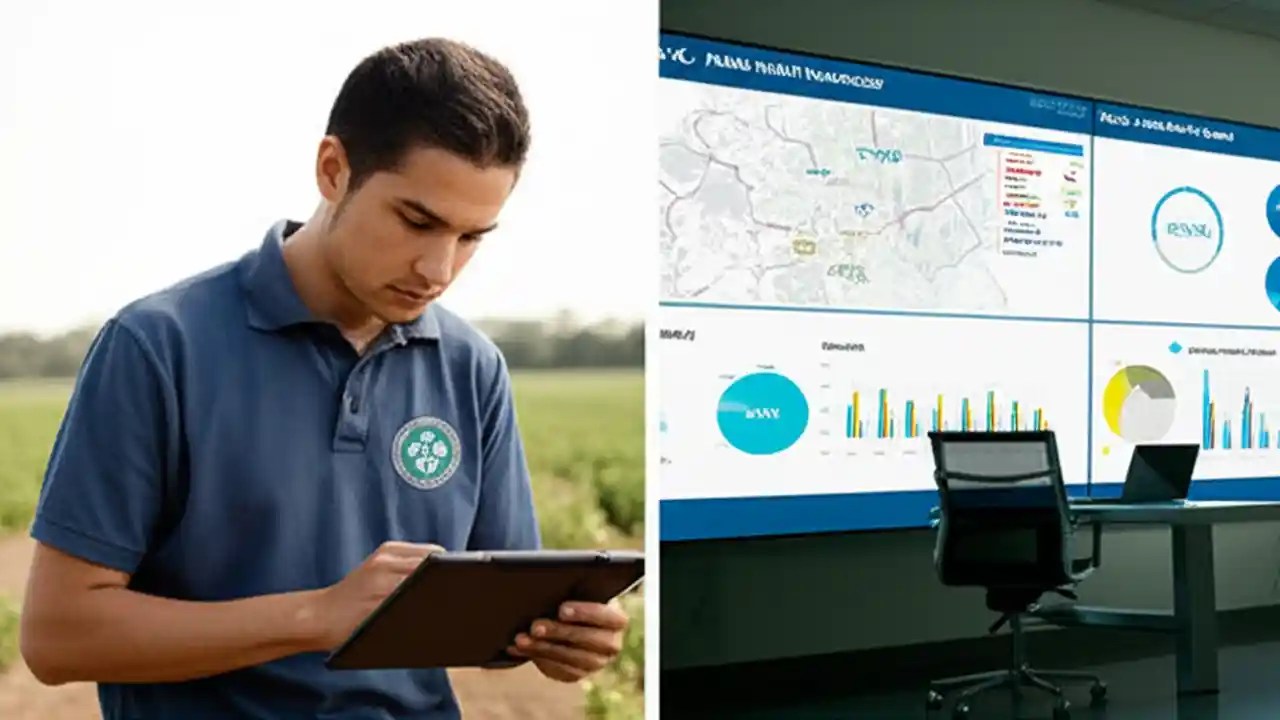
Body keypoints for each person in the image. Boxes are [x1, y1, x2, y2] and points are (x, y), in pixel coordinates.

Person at [18, 37, 629, 719]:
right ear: (333, 170)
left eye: (470, 237)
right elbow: (58, 637)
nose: (438, 269)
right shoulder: (157, 346)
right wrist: (317, 615)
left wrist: (557, 637)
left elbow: (495, 619)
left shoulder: (472, 366)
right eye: (416, 221)